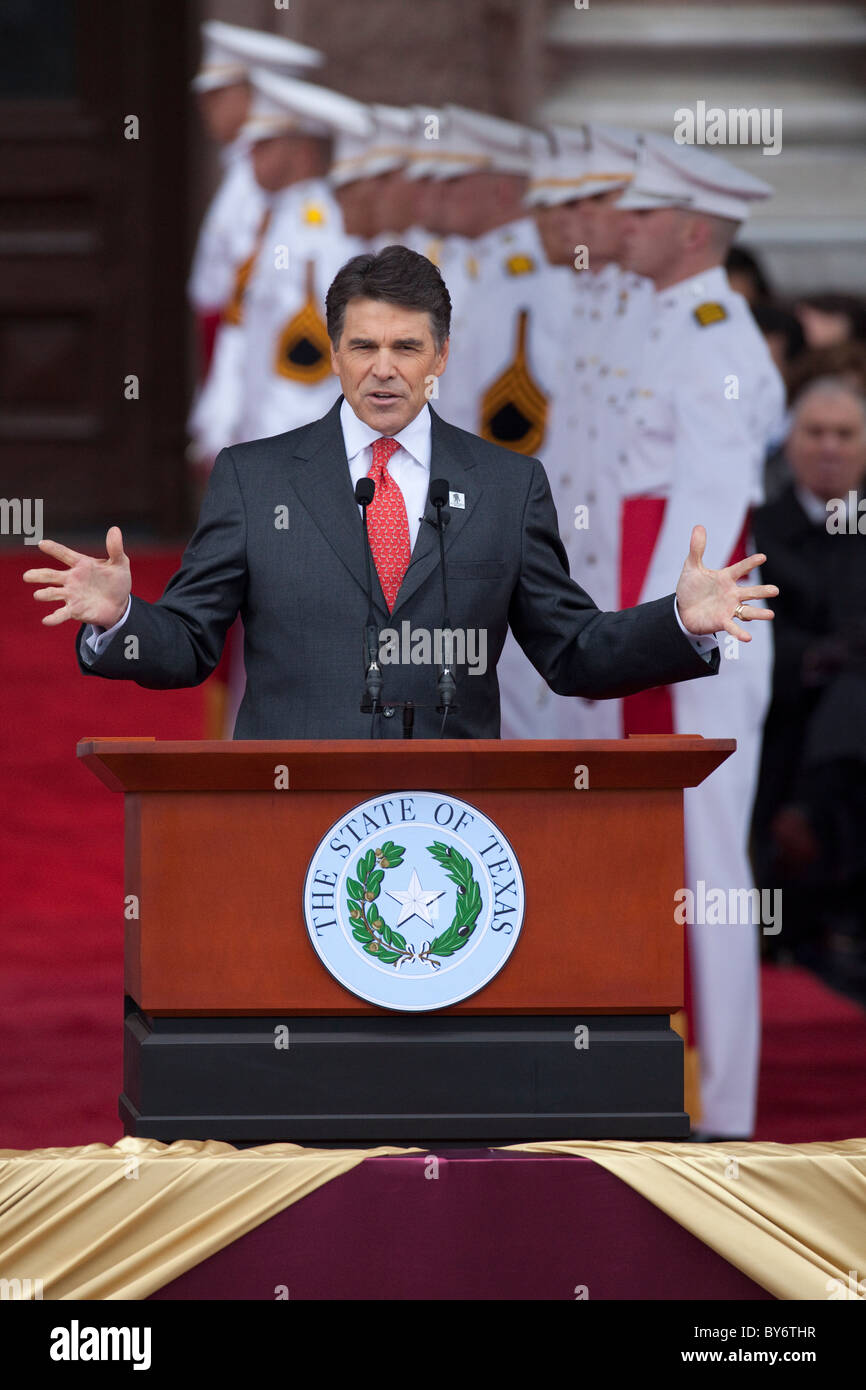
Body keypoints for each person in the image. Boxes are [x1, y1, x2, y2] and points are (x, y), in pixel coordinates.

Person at [24, 246, 777, 744]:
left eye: (406, 347)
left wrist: (680, 622)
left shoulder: (509, 487)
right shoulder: (254, 478)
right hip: (288, 808)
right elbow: (189, 645)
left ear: (441, 355)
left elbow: (572, 654)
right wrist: (123, 616)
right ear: (335, 353)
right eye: (364, 346)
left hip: (450, 821)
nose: (384, 370)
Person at [613, 134, 787, 1139]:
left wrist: (660, 628)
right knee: (661, 849)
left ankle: (716, 1103)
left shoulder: (715, 336)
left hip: (698, 622)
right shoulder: (668, 320)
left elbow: (709, 504)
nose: (617, 228)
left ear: (685, 229)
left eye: (637, 214)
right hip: (664, 610)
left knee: (706, 861)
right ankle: (662, 1067)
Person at [751, 379, 866, 989]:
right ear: (789, 444)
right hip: (783, 714)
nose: (829, 448)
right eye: (815, 433)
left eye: (844, 434)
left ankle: (810, 821)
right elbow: (746, 633)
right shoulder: (757, 528)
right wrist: (820, 656)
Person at [187, 21, 323, 381]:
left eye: (218, 92)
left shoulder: (263, 188)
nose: (204, 105)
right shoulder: (242, 178)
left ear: (253, 94)